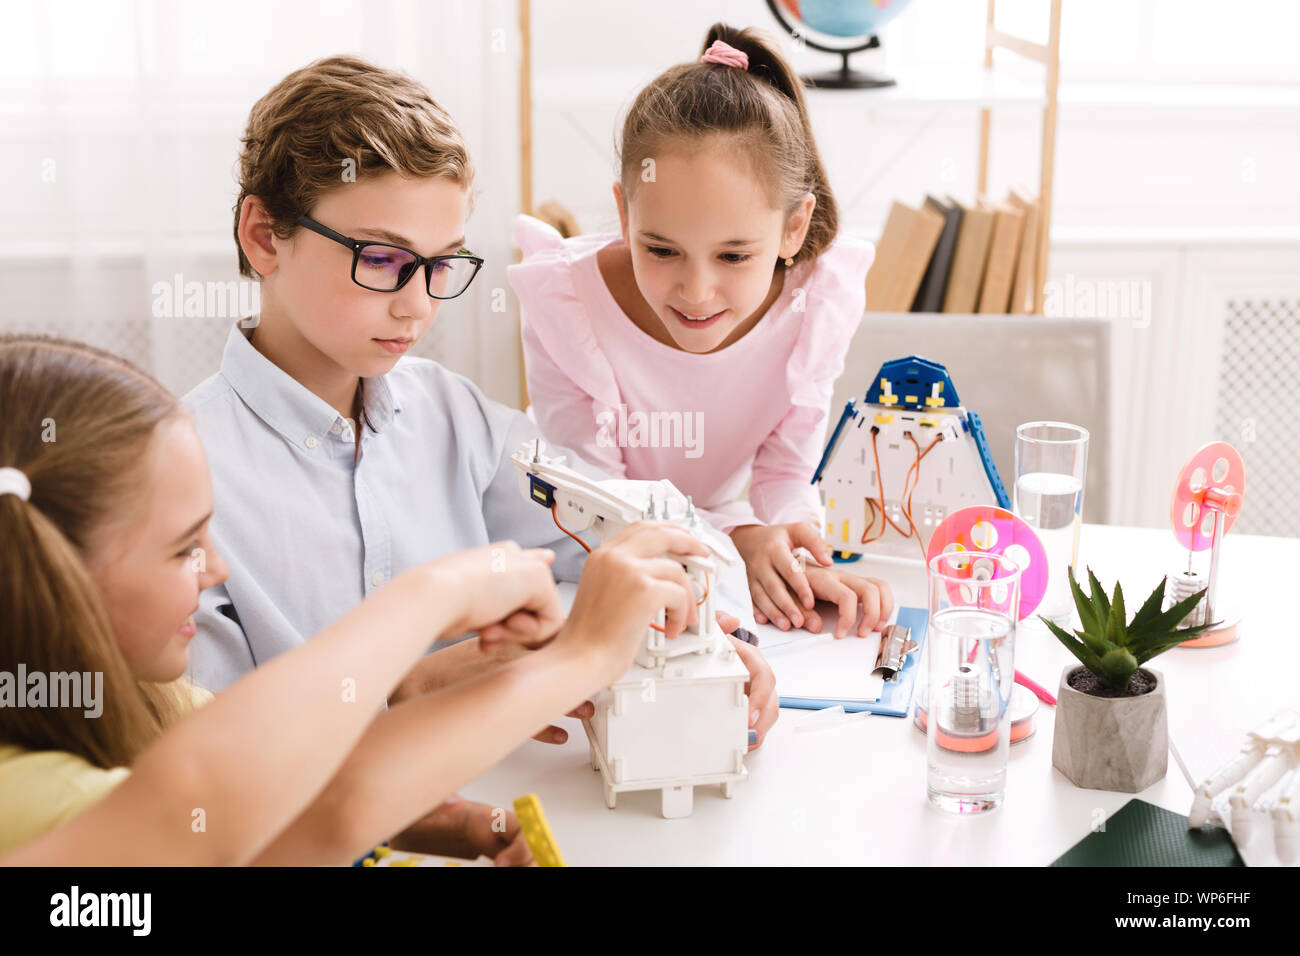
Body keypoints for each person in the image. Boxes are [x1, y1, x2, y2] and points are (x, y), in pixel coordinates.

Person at [185, 54, 780, 745]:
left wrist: (711, 631)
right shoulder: (179, 479)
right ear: (264, 236)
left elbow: (651, 528)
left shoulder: (451, 417)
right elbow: (197, 764)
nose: (418, 306)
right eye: (381, 260)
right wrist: (405, 697)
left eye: (441, 266)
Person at [0, 334, 704, 865]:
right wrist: (571, 651)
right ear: (57, 572)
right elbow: (321, 813)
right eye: (183, 547)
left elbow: (291, 786)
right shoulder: (37, 804)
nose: (215, 568)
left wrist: (455, 819)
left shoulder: (151, 698)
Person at [508, 24, 894, 640]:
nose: (695, 290)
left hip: (707, 533)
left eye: (734, 257)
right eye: (660, 249)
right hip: (574, 543)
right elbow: (601, 509)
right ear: (625, 212)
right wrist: (741, 540)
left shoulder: (816, 301)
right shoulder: (566, 303)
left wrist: (798, 553)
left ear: (794, 229)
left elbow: (785, 474)